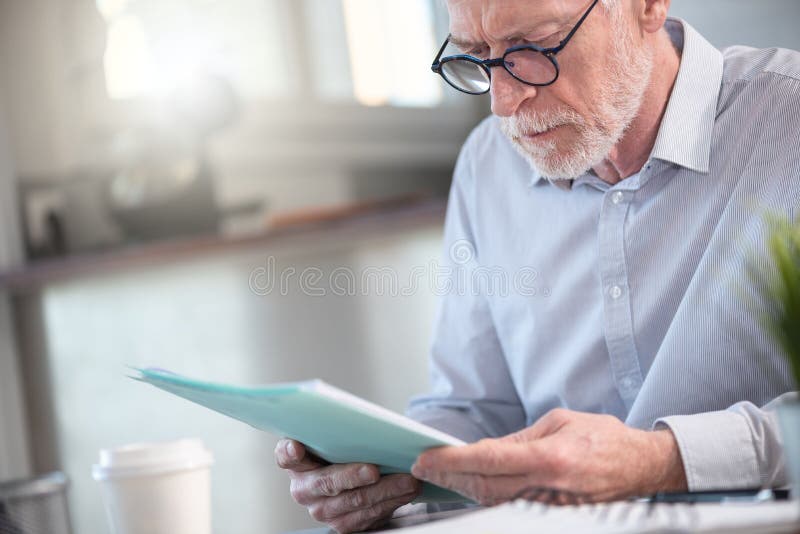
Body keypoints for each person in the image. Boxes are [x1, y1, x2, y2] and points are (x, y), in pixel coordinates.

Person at [275, 0, 800, 531]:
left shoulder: (790, 120)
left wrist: (659, 459)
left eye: (532, 47)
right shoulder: (487, 164)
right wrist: (390, 473)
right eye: (477, 55)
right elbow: (477, 407)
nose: (504, 103)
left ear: (646, 7)